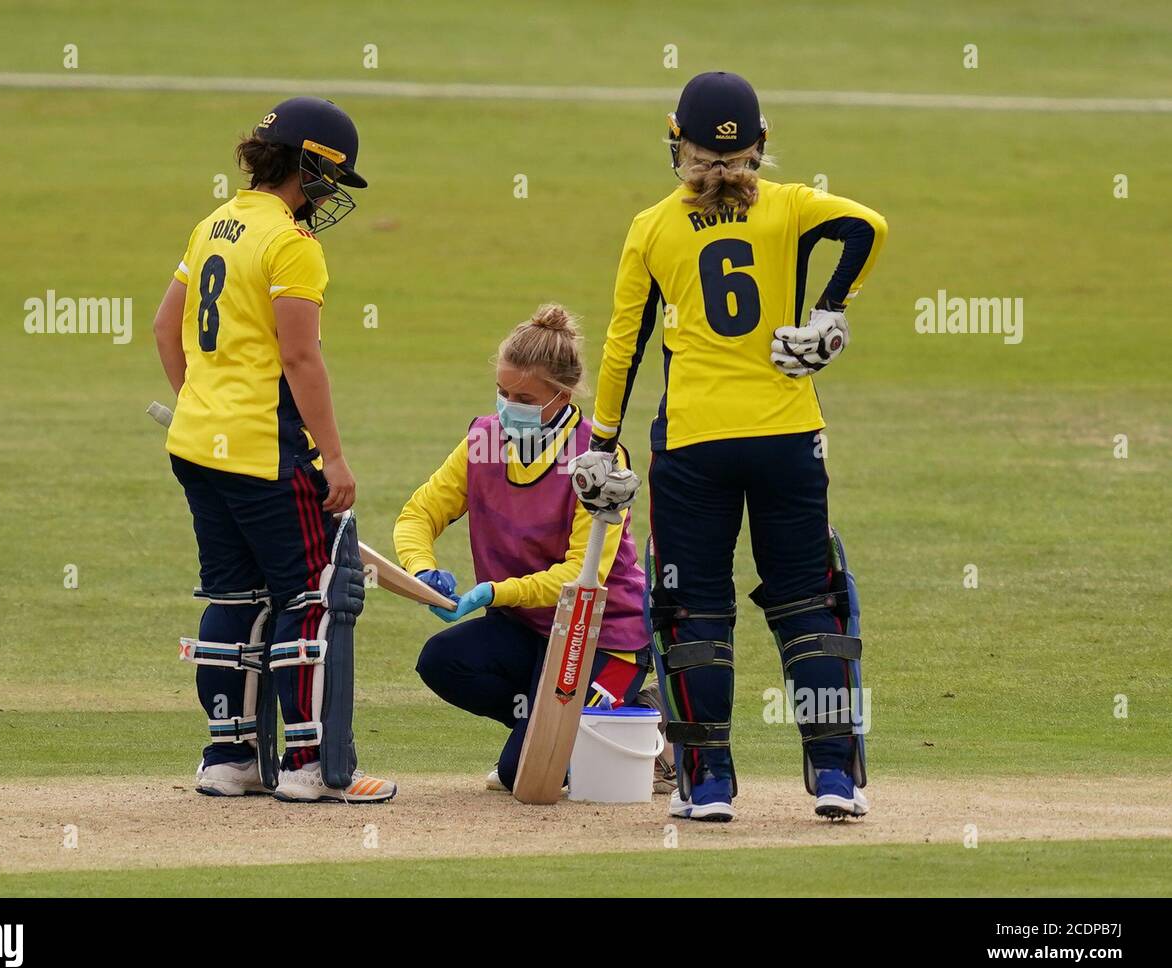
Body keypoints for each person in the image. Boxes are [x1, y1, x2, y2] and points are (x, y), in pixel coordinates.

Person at [572, 71, 887, 821]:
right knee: (811, 599)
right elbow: (869, 227)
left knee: (692, 608)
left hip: (694, 444)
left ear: (676, 144)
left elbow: (623, 346)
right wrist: (829, 313)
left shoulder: (652, 226)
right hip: (787, 435)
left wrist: (603, 444)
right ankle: (836, 778)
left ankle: (708, 784)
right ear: (761, 144)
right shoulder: (788, 204)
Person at [153, 96, 395, 803]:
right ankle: (311, 765)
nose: (329, 197)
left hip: (196, 445)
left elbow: (166, 330)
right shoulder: (292, 244)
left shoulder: (213, 224)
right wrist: (336, 458)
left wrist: (202, 402)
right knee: (312, 595)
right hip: (265, 452)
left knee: (234, 594)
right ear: (310, 168)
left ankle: (228, 757)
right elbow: (301, 357)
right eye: (330, 179)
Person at [394, 304, 651, 792]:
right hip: (527, 631)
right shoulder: (482, 441)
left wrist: (492, 593)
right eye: (503, 393)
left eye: (524, 397)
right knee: (440, 661)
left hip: (601, 636)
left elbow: (580, 577)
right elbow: (417, 515)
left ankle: (645, 713)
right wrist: (422, 571)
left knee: (523, 778)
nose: (508, 406)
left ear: (562, 394)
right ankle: (540, 724)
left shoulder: (598, 459)